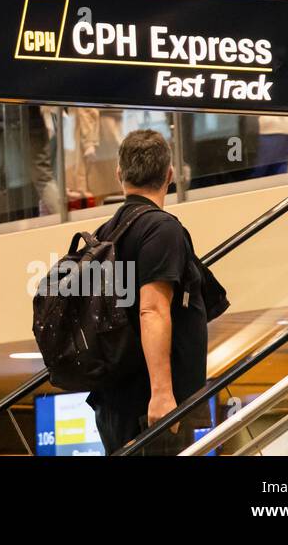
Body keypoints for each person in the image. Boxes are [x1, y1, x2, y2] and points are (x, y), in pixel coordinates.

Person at [85, 129, 210, 454]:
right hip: (151, 407)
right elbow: (151, 309)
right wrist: (163, 392)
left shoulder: (103, 235)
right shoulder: (161, 227)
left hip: (115, 400)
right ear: (170, 175)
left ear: (119, 175)